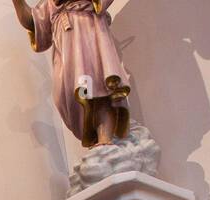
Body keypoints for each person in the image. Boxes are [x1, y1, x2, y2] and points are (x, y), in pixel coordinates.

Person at [11, 0, 133, 148]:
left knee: (96, 87)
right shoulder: (51, 3)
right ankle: (95, 134)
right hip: (65, 50)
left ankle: (104, 138)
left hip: (88, 33)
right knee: (64, 94)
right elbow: (32, 21)